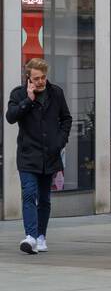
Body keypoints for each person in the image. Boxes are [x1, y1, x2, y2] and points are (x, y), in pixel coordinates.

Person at [5, 58, 72, 255]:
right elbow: (10, 117)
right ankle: (31, 237)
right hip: (27, 155)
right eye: (36, 78)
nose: (41, 81)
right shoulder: (18, 94)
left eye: (43, 77)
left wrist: (59, 142)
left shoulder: (56, 93)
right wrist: (28, 100)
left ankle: (41, 236)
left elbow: (66, 119)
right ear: (28, 78)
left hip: (50, 154)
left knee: (44, 198)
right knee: (28, 194)